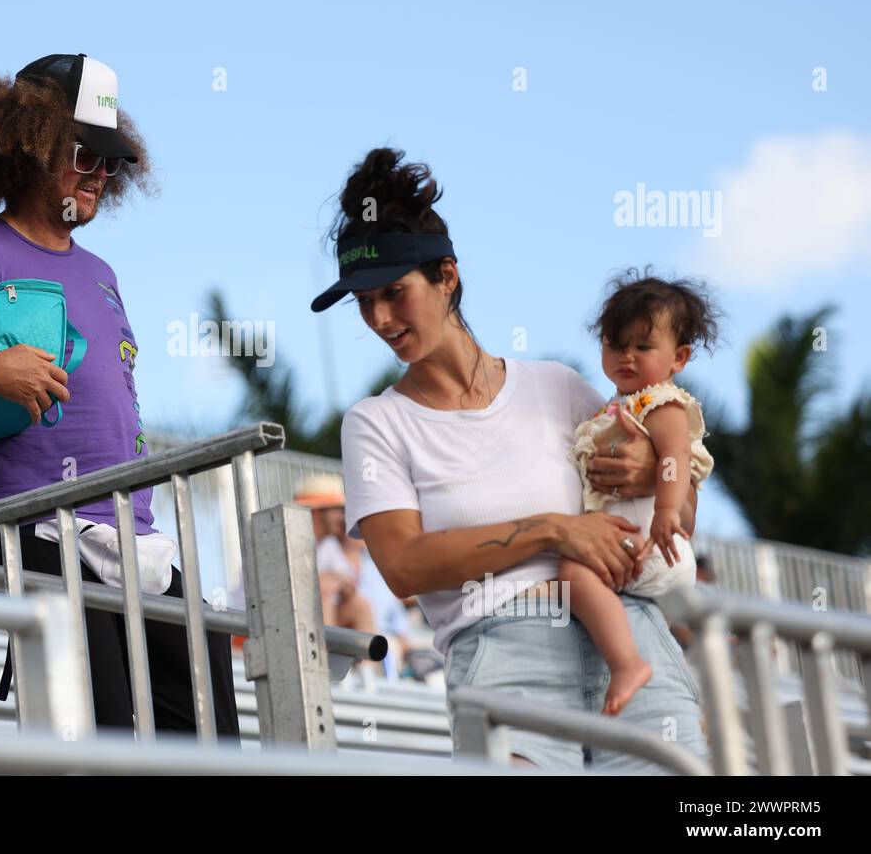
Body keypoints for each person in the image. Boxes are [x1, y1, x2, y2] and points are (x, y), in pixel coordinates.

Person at [0, 54, 239, 737]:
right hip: (46, 537)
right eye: (83, 155)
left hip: (143, 542)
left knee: (210, 745)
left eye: (112, 162)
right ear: (29, 145)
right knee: (98, 745)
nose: (99, 175)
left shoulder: (103, 273)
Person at [314, 147, 708, 772]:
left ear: (448, 275)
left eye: (394, 292)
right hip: (503, 654)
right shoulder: (376, 422)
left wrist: (653, 474)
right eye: (363, 302)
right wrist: (554, 530)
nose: (380, 318)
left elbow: (676, 512)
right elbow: (406, 566)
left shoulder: (560, 385)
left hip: (631, 635)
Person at [566, 271, 720, 714]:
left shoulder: (663, 403)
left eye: (643, 346)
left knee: (572, 570)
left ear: (680, 357)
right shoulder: (616, 407)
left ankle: (627, 663)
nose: (627, 356)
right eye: (616, 344)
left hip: (654, 539)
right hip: (641, 536)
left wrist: (668, 510)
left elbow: (674, 460)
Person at [296, 474, 416, 676]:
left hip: (310, 625)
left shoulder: (328, 548)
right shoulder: (291, 543)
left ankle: (366, 676)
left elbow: (344, 589)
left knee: (358, 604)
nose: (345, 518)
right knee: (325, 597)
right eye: (338, 510)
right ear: (317, 513)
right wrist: (322, 585)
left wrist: (341, 586)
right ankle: (325, 673)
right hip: (277, 627)